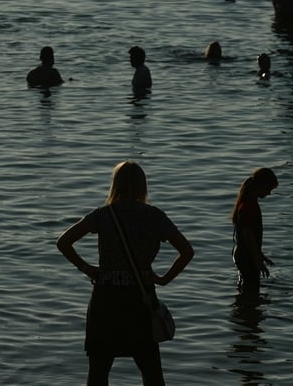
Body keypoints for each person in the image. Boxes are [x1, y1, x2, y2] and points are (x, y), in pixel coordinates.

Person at [57, 162, 194, 386]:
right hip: (139, 300)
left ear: (115, 184)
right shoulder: (154, 216)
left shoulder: (103, 215)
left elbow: (63, 242)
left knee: (98, 373)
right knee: (151, 373)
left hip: (106, 300)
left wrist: (86, 267)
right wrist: (163, 279)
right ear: (142, 185)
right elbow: (187, 252)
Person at [232, 167, 278, 294]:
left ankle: (243, 310)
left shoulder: (248, 203)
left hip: (243, 253)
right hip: (246, 255)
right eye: (269, 189)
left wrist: (261, 256)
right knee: (251, 289)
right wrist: (257, 259)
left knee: (245, 286)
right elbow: (248, 235)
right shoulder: (248, 206)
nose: (269, 193)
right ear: (261, 185)